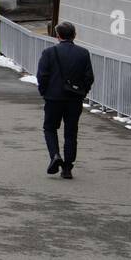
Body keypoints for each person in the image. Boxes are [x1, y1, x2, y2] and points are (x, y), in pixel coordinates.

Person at [36, 21, 95, 180]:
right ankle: (68, 167)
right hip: (74, 99)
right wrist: (82, 92)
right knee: (71, 131)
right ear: (74, 35)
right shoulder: (83, 53)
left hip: (53, 98)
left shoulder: (49, 52)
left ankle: (55, 155)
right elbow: (89, 77)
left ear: (58, 36)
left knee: (50, 128)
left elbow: (42, 76)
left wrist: (44, 92)